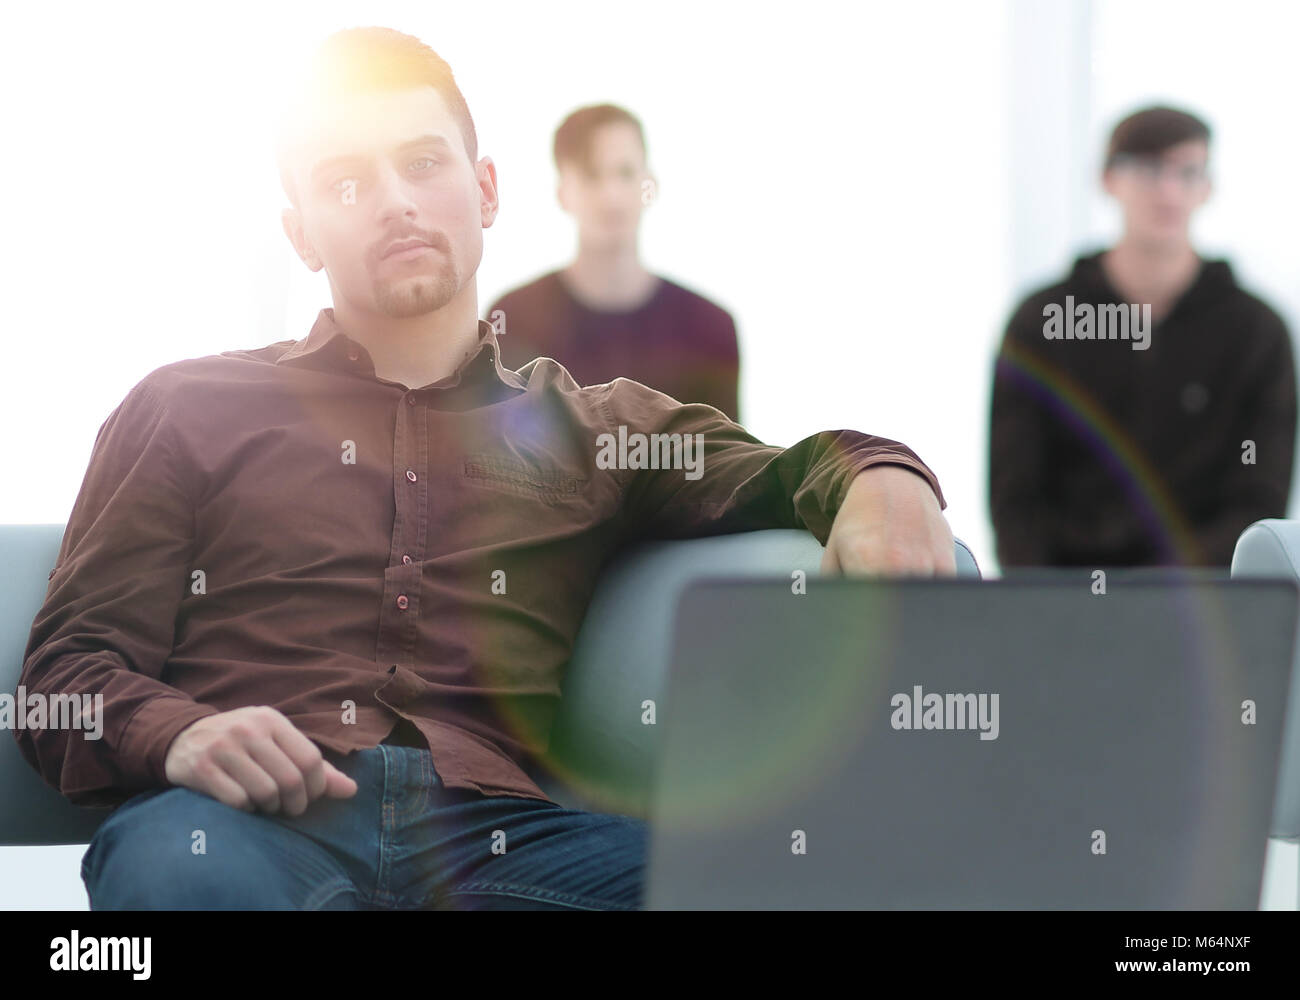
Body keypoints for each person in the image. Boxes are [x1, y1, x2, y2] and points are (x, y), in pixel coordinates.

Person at [16, 26, 953, 911]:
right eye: (345, 183)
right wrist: (180, 732)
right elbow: (64, 672)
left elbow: (793, 469)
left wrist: (888, 483)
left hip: (506, 838)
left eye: (423, 163)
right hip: (246, 826)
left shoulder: (593, 425)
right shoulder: (184, 405)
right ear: (302, 235)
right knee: (178, 878)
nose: (393, 201)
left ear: (489, 189)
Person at [989, 105, 1296, 568]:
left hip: (1206, 612)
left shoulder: (1256, 331)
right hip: (1065, 605)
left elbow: (1259, 498)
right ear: (1109, 179)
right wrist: (1046, 608)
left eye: (1187, 172)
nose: (1168, 191)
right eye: (1149, 170)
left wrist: (1171, 601)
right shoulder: (1043, 322)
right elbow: (1016, 498)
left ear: (1208, 188)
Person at [487, 104, 742, 421]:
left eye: (625, 173)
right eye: (592, 175)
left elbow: (729, 464)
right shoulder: (514, 319)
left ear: (650, 185)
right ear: (563, 193)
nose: (611, 195)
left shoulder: (710, 328)